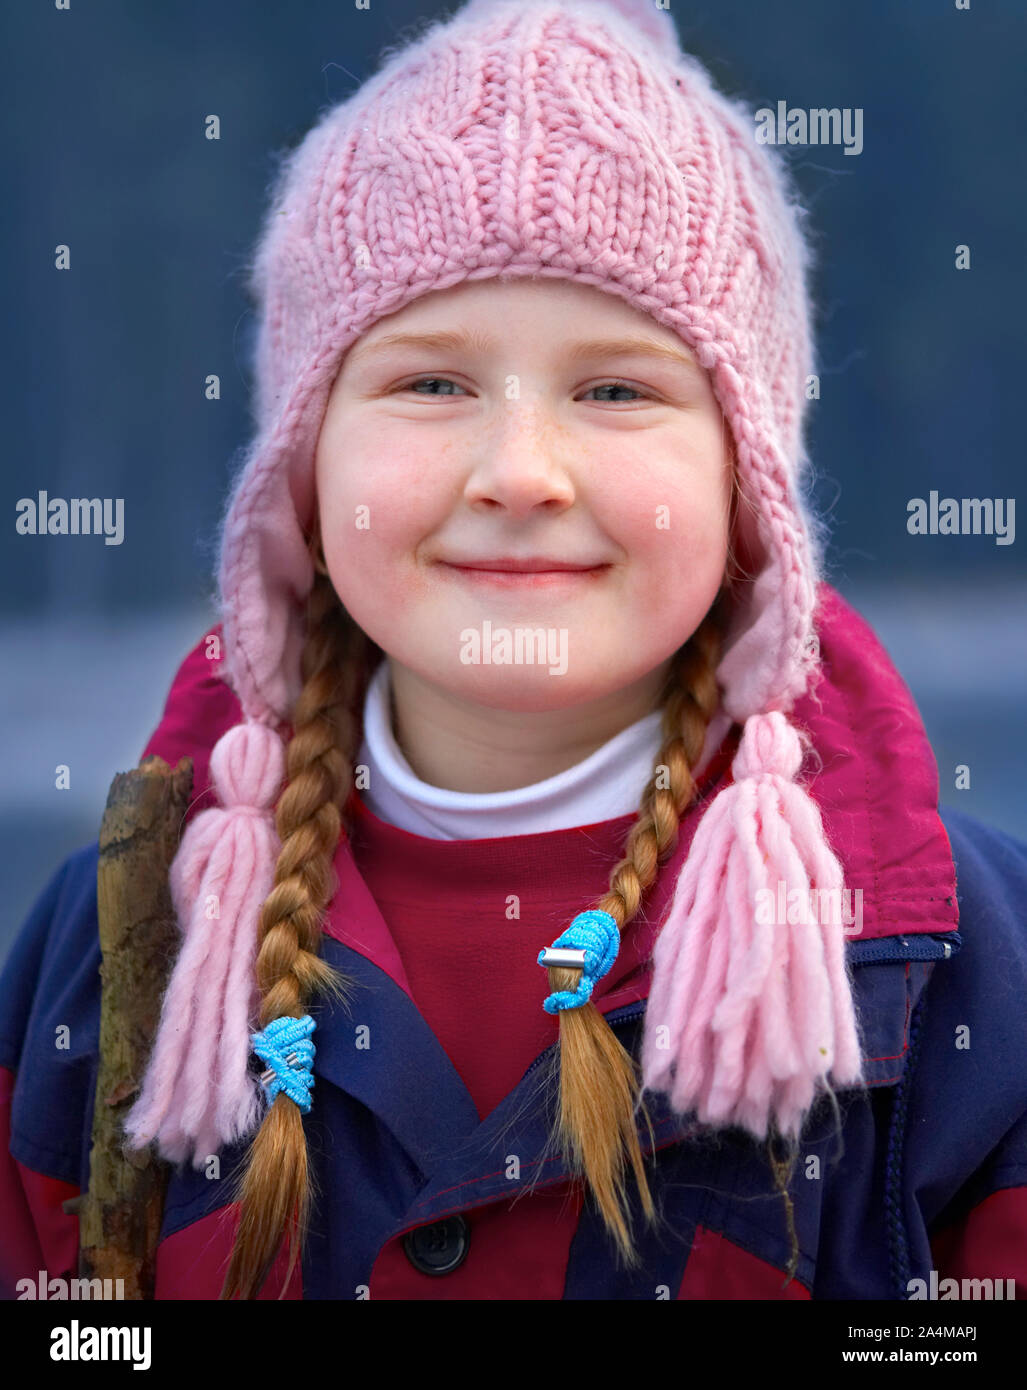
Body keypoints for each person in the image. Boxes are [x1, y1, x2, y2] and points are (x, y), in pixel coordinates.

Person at [2, 0, 1026, 1302]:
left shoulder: (958, 963)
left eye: (617, 389)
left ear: (747, 485)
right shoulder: (122, 937)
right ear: (304, 475)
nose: (520, 471)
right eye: (431, 383)